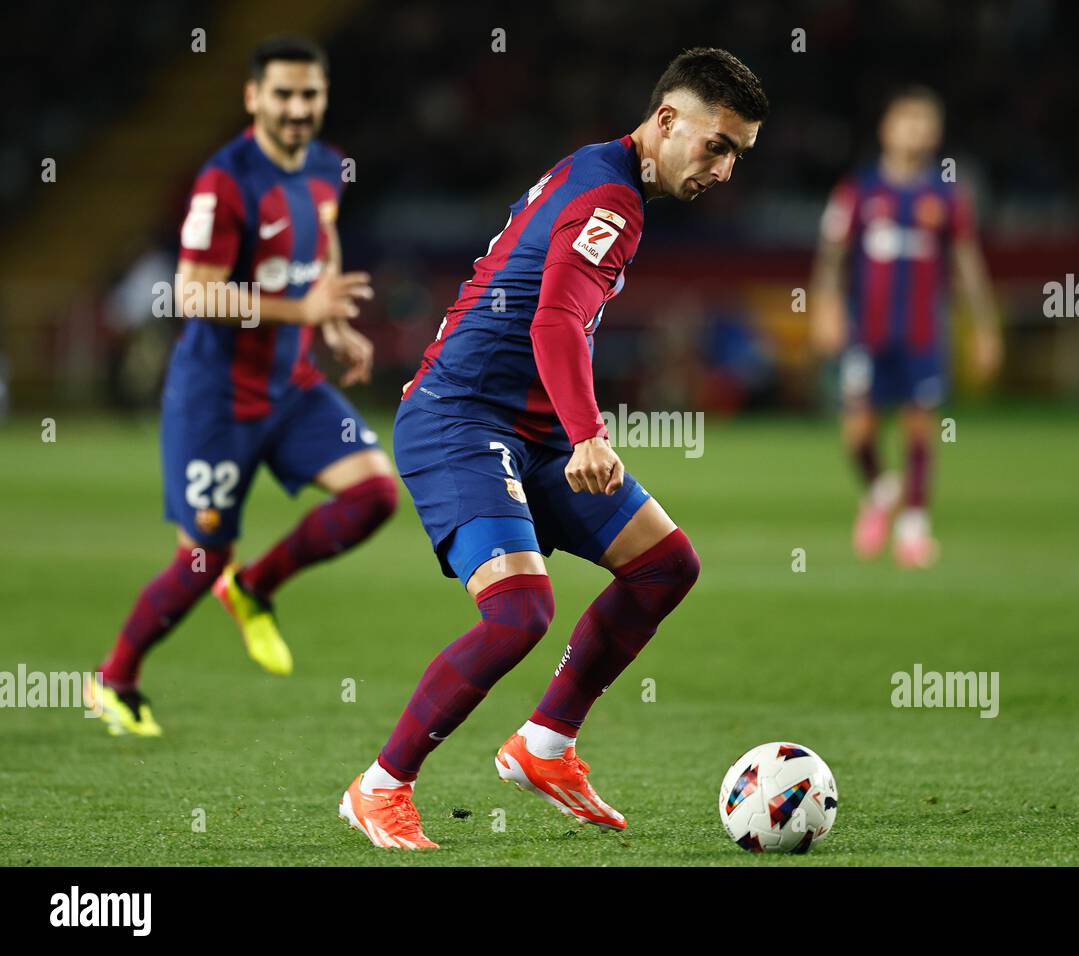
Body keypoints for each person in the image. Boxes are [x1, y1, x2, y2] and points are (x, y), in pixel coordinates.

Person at [339, 48, 768, 849]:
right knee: (519, 612)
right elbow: (554, 321)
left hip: (525, 430)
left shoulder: (600, 171)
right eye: (717, 145)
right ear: (667, 121)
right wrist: (589, 435)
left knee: (665, 566)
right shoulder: (610, 198)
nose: (724, 169)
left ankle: (544, 746)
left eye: (738, 154)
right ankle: (379, 786)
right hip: (460, 421)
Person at [90, 36, 394, 736]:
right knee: (200, 559)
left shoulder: (324, 166)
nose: (297, 108)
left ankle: (255, 588)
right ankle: (115, 678)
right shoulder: (223, 180)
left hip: (292, 385)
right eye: (282, 95)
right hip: (217, 399)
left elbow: (323, 241)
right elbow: (193, 295)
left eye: (309, 95)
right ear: (253, 97)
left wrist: (333, 323)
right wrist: (302, 311)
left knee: (376, 493)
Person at [810, 86, 1002, 568]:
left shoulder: (946, 195)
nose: (914, 131)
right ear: (886, 129)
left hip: (921, 332)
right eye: (905, 120)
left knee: (919, 428)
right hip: (867, 332)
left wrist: (984, 328)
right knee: (857, 430)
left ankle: (915, 528)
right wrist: (825, 307)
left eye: (923, 122)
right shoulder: (859, 190)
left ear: (934, 132)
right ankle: (880, 490)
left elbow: (966, 262)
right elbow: (832, 256)